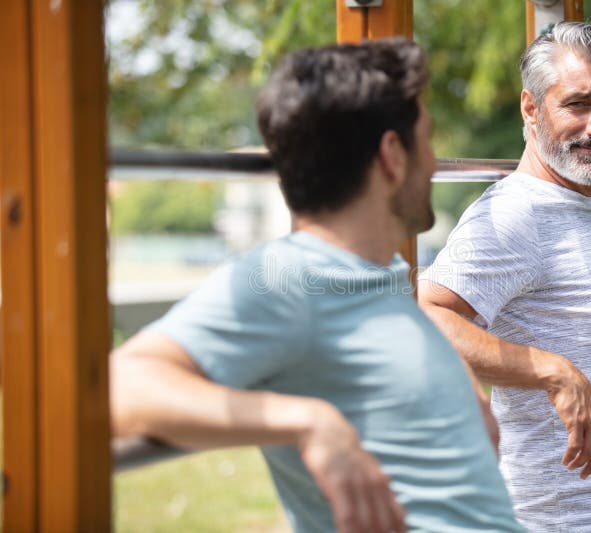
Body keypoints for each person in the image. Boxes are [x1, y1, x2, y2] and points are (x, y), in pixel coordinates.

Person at [111, 38, 524, 533]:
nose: (435, 164)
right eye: (428, 140)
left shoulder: (379, 272)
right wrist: (307, 422)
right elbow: (120, 388)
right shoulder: (289, 277)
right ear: (393, 155)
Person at [418, 22, 591, 532]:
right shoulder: (519, 213)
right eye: (578, 104)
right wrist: (553, 372)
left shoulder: (572, 208)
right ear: (531, 109)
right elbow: (424, 317)